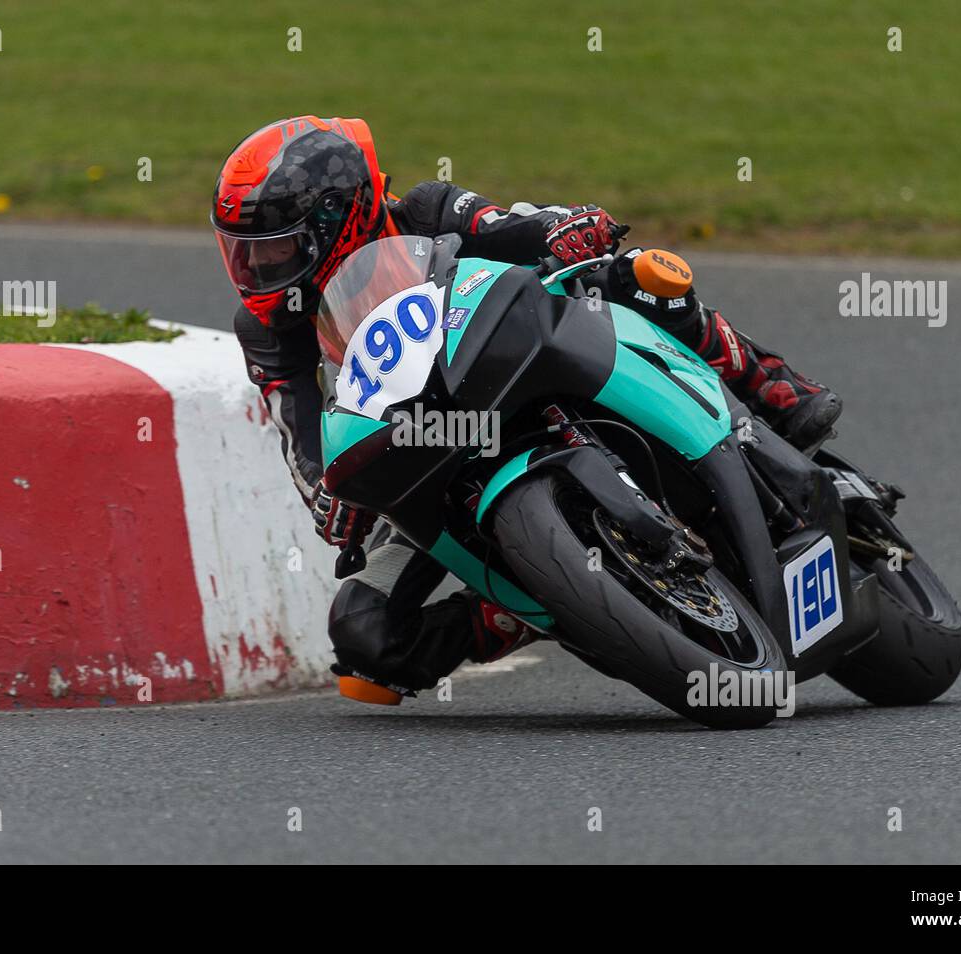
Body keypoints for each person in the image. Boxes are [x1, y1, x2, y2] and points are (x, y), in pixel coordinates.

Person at [212, 115, 841, 704]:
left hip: (517, 363)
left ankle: (771, 384)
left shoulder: (427, 211)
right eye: (243, 253)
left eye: (273, 250)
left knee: (632, 274)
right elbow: (298, 435)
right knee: (366, 640)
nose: (256, 269)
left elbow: (517, 226)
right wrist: (333, 497)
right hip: (426, 450)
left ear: (337, 219)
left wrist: (565, 228)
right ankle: (534, 605)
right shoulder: (269, 330)